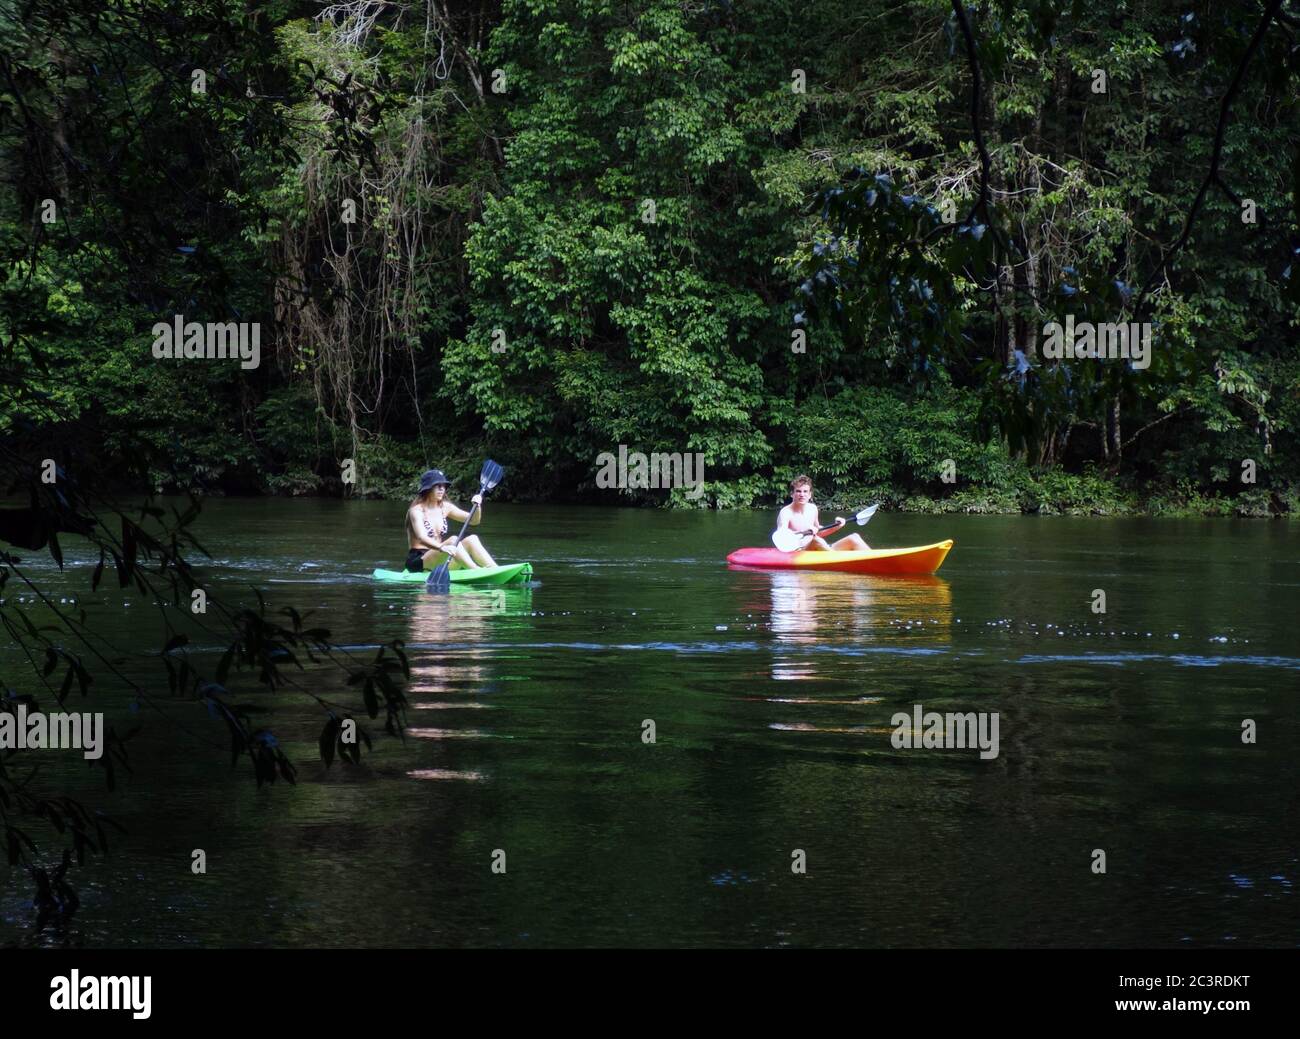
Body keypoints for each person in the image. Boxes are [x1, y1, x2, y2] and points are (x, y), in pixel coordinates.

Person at [404, 469, 498, 572]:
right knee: (453, 540)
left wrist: (477, 506)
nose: (441, 489)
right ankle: (476, 571)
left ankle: (495, 570)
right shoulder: (416, 511)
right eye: (437, 485)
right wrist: (441, 547)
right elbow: (422, 537)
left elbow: (474, 521)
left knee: (472, 539)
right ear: (427, 488)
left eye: (443, 485)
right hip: (419, 562)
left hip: (440, 558)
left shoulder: (445, 507)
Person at [775, 474, 869, 551]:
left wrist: (837, 526)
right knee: (816, 540)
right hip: (798, 552)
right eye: (798, 491)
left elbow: (818, 532)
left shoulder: (812, 509)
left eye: (805, 491)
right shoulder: (786, 513)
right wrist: (803, 531)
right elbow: (781, 537)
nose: (802, 495)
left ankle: (876, 561)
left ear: (810, 494)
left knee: (854, 538)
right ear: (792, 494)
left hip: (819, 548)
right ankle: (836, 562)